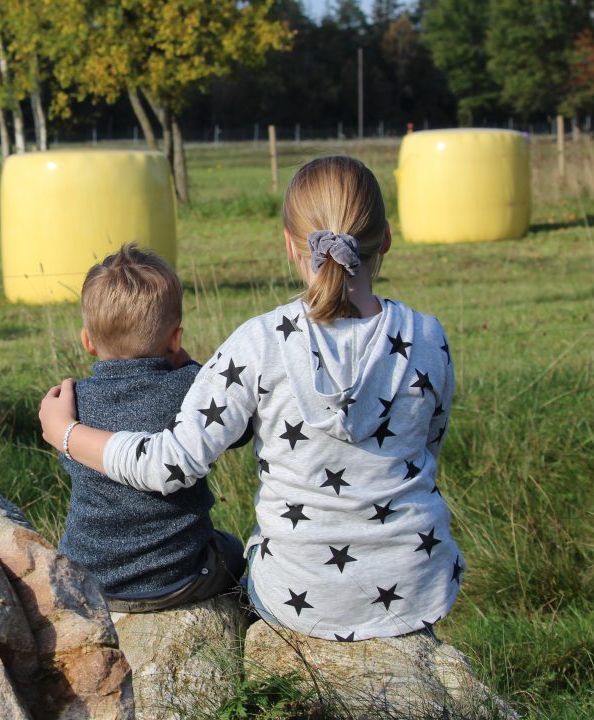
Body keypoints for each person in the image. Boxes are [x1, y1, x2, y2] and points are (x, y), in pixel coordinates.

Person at [40, 156, 461, 640]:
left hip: (296, 595)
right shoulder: (428, 336)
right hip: (417, 585)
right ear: (386, 237)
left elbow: (170, 465)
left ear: (289, 245)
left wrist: (65, 433)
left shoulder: (258, 343)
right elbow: (428, 447)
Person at [56, 243, 246, 613]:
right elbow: (238, 432)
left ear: (87, 341)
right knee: (234, 550)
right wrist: (196, 370)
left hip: (92, 578)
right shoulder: (189, 387)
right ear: (176, 338)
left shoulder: (72, 400)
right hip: (178, 575)